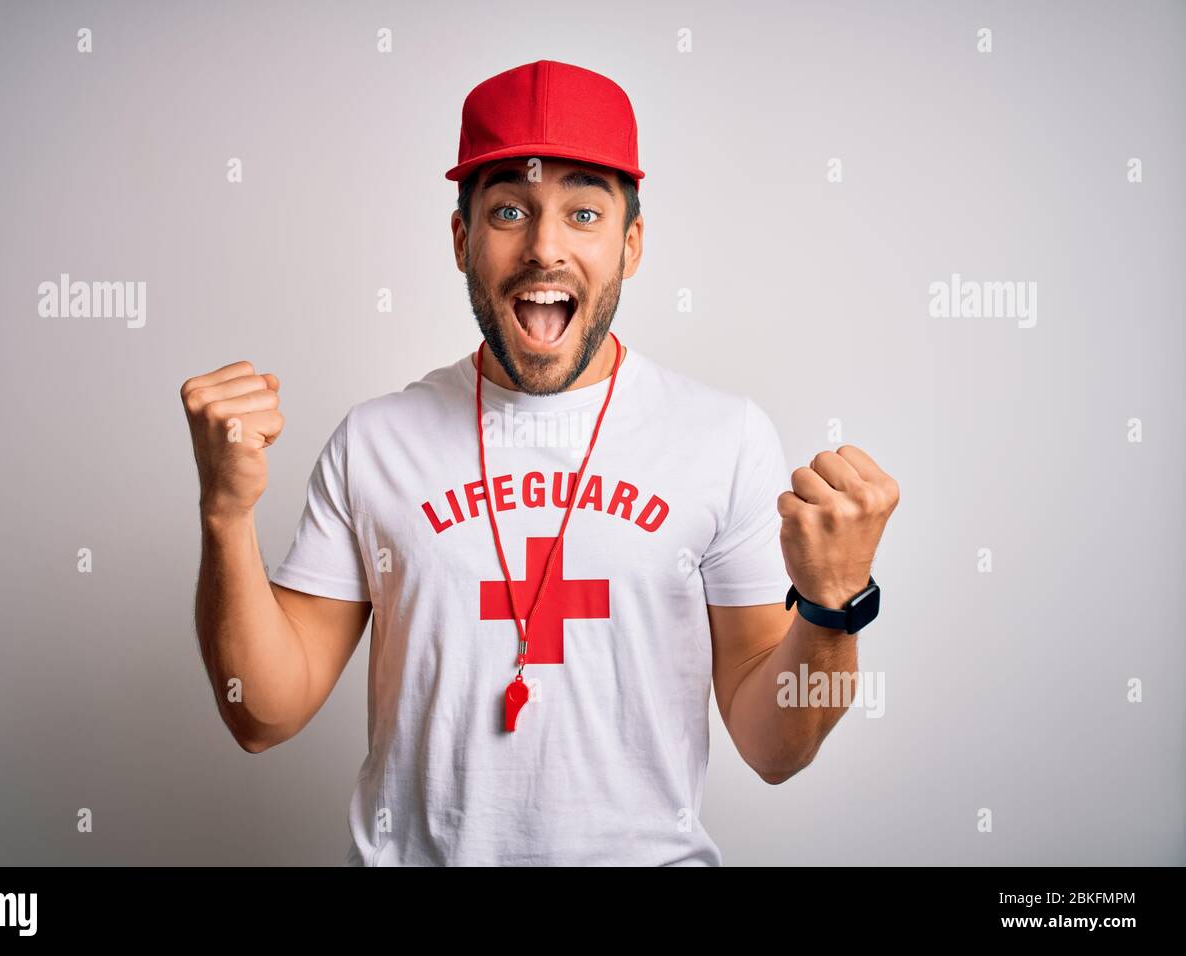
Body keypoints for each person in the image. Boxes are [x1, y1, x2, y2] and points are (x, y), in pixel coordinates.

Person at [178, 60, 900, 866]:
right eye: (511, 211)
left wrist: (835, 607)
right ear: (463, 241)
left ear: (630, 245)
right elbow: (262, 715)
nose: (545, 248)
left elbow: (775, 749)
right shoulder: (376, 441)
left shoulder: (723, 438)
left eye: (584, 212)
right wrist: (225, 514)